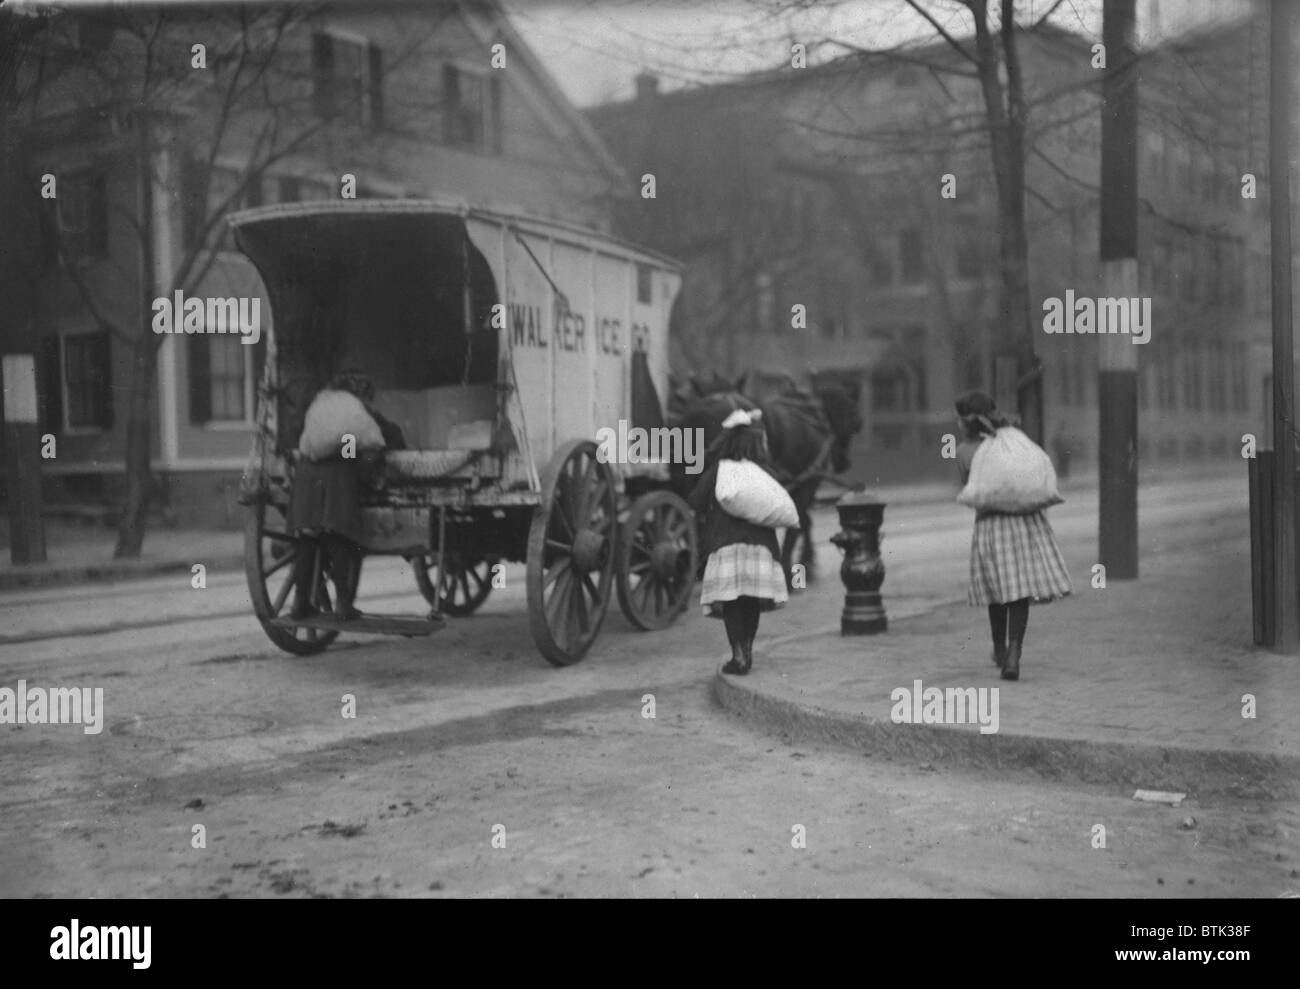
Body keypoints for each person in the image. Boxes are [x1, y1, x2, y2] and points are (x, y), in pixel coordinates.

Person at [955, 391, 1071, 681]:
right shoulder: (1014, 440)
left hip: (991, 527)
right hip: (1024, 525)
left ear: (967, 421)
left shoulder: (966, 451)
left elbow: (970, 488)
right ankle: (1015, 652)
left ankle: (998, 647)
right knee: (1019, 592)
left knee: (997, 590)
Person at [289, 372, 405, 621]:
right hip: (335, 477)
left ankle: (300, 603)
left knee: (308, 541)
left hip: (307, 475)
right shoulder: (357, 411)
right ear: (361, 394)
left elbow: (302, 437)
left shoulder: (321, 403)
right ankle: (343, 603)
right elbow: (369, 444)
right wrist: (364, 471)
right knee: (339, 538)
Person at [688, 408, 789, 675]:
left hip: (726, 548)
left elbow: (696, 502)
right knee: (750, 603)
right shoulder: (766, 472)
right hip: (760, 550)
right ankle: (748, 651)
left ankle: (737, 657)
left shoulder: (718, 471)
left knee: (732, 603)